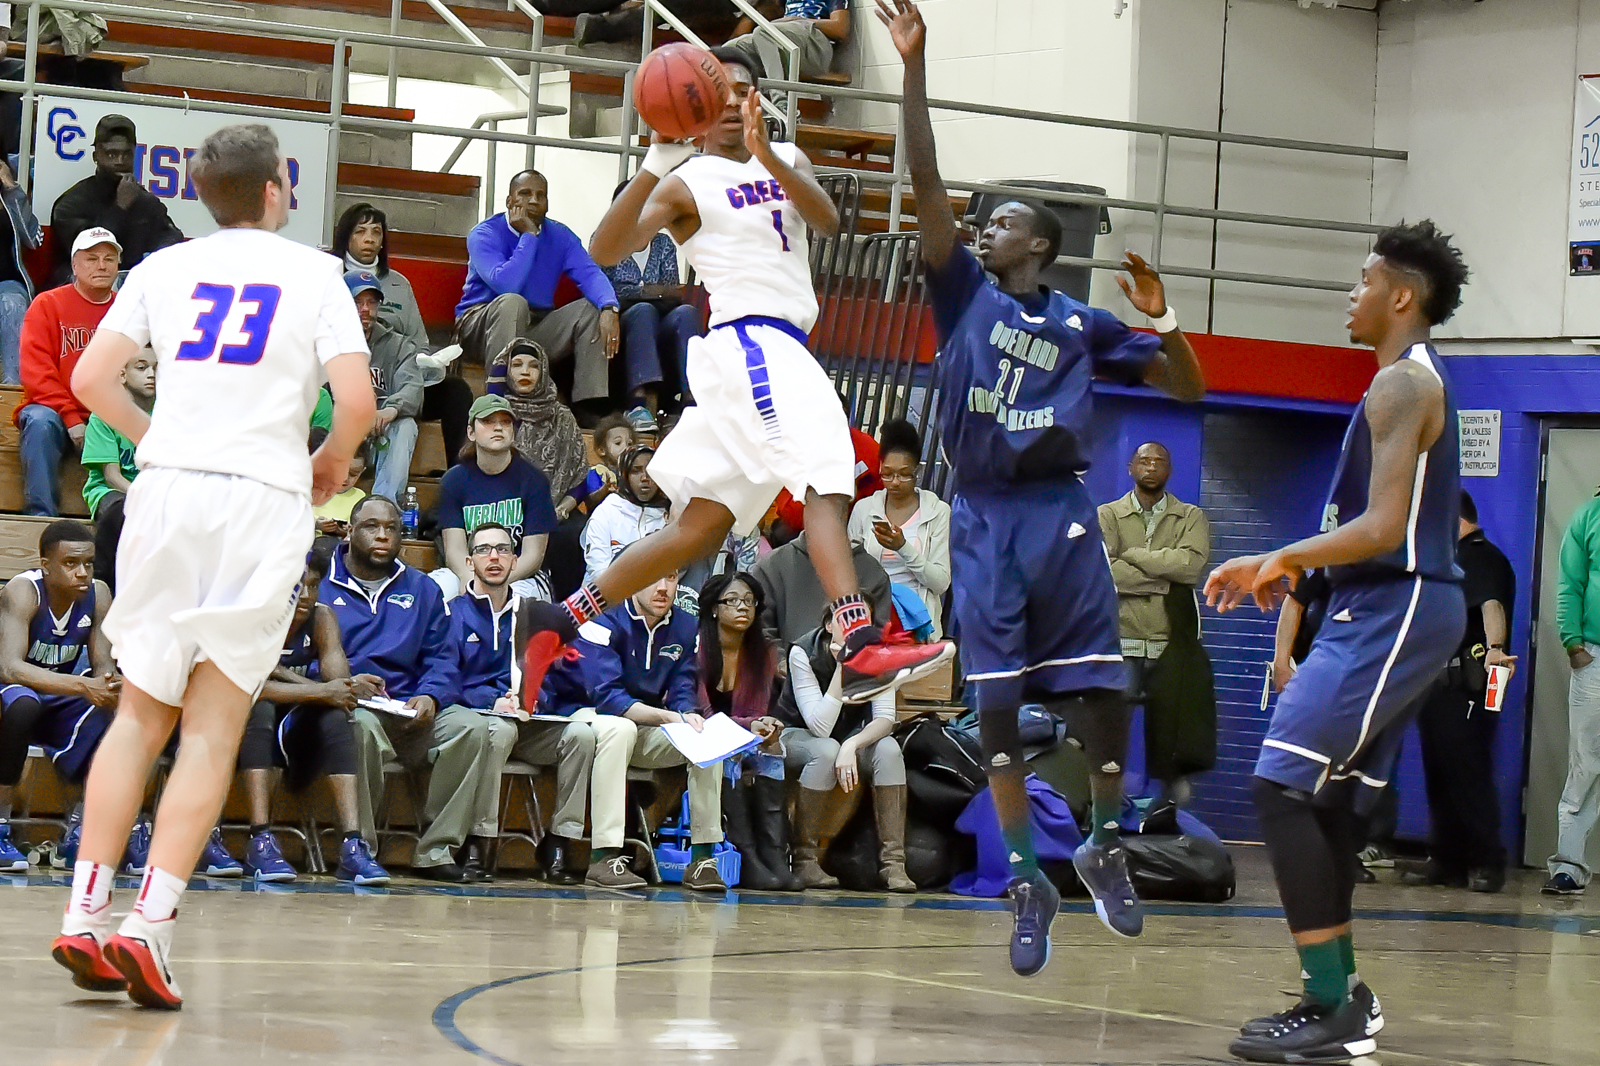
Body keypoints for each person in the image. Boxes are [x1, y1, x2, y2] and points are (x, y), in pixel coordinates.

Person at [880, 0, 1206, 977]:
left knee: (1104, 698)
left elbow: (1186, 388)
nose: (983, 225)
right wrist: (912, 67)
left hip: (1058, 511)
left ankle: (1104, 838)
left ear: (1044, 245)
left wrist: (1168, 317)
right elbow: (927, 179)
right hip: (983, 515)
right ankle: (1027, 876)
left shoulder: (1079, 325)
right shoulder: (960, 293)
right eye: (982, 219)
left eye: (1005, 219)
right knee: (994, 713)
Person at [517, 44, 952, 714]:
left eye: (742, 90)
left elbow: (829, 221)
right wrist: (652, 163)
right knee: (827, 483)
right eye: (715, 94)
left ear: (759, 100)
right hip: (751, 342)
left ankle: (561, 618)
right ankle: (857, 641)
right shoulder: (687, 181)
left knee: (700, 529)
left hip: (771, 352)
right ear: (694, 107)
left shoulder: (789, 162)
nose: (731, 103)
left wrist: (771, 156)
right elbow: (599, 253)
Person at [52, 123, 376, 1010]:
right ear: (277, 190)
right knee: (211, 726)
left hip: (165, 497)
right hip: (259, 500)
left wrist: (158, 439)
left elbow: (90, 383)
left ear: (205, 194)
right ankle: (147, 929)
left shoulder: (160, 269)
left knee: (140, 717)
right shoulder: (316, 272)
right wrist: (334, 458)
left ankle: (83, 913)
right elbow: (357, 398)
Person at [1205, 219, 1470, 1062]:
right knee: (1330, 803)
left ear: (1402, 295)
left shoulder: (1400, 386)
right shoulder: (1401, 384)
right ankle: (1341, 1001)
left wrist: (1276, 555)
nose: (1348, 296)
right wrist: (1304, 571)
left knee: (1281, 785)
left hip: (1399, 604)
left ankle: (1333, 1003)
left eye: (1362, 281)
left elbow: (1385, 525)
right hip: (1386, 604)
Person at [326, 495, 507, 885]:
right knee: (359, 727)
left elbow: (444, 658)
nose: (382, 535)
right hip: (353, 704)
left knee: (471, 727)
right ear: (350, 532)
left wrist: (431, 695)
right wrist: (347, 685)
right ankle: (361, 850)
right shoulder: (323, 585)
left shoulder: (422, 589)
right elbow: (305, 656)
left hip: (410, 706)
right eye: (372, 527)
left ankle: (437, 851)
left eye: (391, 528)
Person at [535, 570, 728, 890]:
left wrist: (686, 716)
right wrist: (669, 719)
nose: (663, 588)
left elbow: (683, 685)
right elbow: (607, 697)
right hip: (582, 711)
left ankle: (702, 859)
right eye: (653, 577)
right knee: (619, 728)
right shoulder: (601, 618)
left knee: (706, 741)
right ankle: (604, 857)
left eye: (671, 578)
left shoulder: (684, 624)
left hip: (644, 719)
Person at [448, 521, 601, 885]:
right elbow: (447, 679)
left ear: (516, 561)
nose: (494, 557)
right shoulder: (452, 612)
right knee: (498, 731)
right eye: (484, 550)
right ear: (469, 562)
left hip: (530, 719)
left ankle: (559, 842)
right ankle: (479, 841)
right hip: (480, 718)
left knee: (581, 736)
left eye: (503, 549)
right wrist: (492, 700)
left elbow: (558, 675)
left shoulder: (537, 614)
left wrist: (532, 696)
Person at [237, 543, 390, 886]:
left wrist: (285, 673)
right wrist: (318, 690)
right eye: (296, 584)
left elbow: (338, 686)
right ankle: (259, 839)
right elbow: (250, 689)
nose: (305, 594)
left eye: (314, 584)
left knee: (336, 717)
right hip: (245, 729)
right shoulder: (254, 619)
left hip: (295, 731)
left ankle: (352, 844)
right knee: (258, 708)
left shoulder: (321, 618)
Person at [1394, 490, 1515, 894]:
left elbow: (1491, 604)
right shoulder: (1451, 559)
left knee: (1467, 772)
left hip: (1468, 683)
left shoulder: (1479, 555)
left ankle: (1486, 862)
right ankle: (1447, 861)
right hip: (1440, 683)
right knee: (1441, 772)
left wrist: (1496, 648)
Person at [1099, 440, 1212, 806]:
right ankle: (1105, 814)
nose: (1151, 467)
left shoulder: (1190, 515)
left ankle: (1169, 820)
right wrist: (1164, 579)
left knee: (1171, 737)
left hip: (1170, 642)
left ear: (1169, 470)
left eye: (1158, 461)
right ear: (1131, 468)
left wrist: (1131, 555)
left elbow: (1191, 567)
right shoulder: (1108, 515)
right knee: (1110, 732)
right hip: (1122, 639)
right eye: (1144, 461)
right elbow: (1104, 571)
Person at [0, 521, 118, 871]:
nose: (82, 572)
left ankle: (80, 830)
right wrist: (84, 686)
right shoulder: (23, 592)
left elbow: (101, 666)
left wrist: (110, 685)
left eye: (89, 563)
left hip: (57, 695)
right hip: (11, 691)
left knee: (117, 709)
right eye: (70, 563)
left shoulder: (99, 595)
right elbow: (10, 669)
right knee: (23, 704)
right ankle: (1, 827)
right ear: (45, 564)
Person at [455, 170, 621, 408]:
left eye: (540, 195)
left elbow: (590, 273)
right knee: (513, 302)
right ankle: (497, 396)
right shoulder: (484, 233)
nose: (533, 200)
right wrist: (529, 235)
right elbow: (507, 285)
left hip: (535, 325)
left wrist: (609, 307)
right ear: (510, 202)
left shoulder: (560, 235)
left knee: (592, 309)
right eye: (524, 194)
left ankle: (589, 405)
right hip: (482, 324)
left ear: (547, 204)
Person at [777, 615, 915, 892]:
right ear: (828, 625)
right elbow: (820, 726)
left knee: (888, 748)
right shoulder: (803, 651)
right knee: (827, 751)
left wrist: (852, 745)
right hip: (797, 734)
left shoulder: (878, 654)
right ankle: (805, 860)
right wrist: (843, 669)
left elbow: (886, 718)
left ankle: (894, 864)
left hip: (849, 738)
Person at [698, 571, 797, 891]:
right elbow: (703, 712)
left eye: (749, 601)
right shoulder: (697, 645)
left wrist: (766, 727)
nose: (743, 608)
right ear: (714, 608)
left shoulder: (763, 650)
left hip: (740, 732)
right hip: (699, 731)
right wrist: (748, 726)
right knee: (729, 754)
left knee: (771, 751)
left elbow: (755, 711)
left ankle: (773, 854)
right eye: (733, 601)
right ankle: (746, 854)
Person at [15, 227, 120, 516]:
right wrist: (71, 418)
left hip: (111, 417)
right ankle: (40, 516)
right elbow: (36, 372)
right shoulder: (48, 304)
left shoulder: (130, 310)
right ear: (74, 264)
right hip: (59, 414)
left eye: (109, 259)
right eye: (91, 258)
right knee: (38, 420)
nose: (101, 265)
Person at [434, 394, 559, 601]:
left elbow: (533, 556)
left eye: (505, 422)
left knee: (519, 601)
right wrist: (471, 580)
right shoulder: (453, 481)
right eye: (488, 422)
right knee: (437, 591)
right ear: (471, 432)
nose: (498, 427)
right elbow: (455, 550)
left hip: (520, 575)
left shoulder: (534, 481)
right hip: (469, 570)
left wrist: (497, 582)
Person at [599, 179, 702, 420]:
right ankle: (639, 402)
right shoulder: (606, 242)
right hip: (622, 321)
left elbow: (673, 293)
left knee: (687, 312)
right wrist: (649, 291)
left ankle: (692, 397)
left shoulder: (664, 244)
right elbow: (606, 290)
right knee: (643, 310)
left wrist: (638, 290)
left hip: (661, 318)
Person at [49, 113, 183, 283]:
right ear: (96, 156)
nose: (120, 161)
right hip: (82, 286)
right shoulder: (71, 204)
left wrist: (154, 259)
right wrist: (120, 207)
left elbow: (173, 236)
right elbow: (92, 251)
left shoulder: (145, 201)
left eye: (126, 155)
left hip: (133, 286)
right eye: (112, 155)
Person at [848, 418, 951, 639]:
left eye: (904, 474)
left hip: (918, 626)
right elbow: (849, 569)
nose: (895, 482)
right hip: (872, 623)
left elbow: (940, 582)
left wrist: (903, 547)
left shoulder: (937, 512)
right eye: (887, 473)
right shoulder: (865, 509)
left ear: (918, 471)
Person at [1547, 483, 1600, 896]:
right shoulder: (1588, 517)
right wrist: (1573, 643)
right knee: (1585, 763)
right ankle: (1568, 866)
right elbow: (1570, 583)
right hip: (1594, 656)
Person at [347, 270, 426, 502]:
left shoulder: (398, 345)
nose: (365, 309)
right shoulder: (323, 343)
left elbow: (413, 387)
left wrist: (391, 409)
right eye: (357, 302)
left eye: (371, 302)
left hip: (379, 435)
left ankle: (382, 507)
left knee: (405, 425)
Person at [78, 349, 153, 591]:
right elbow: (111, 476)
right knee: (123, 511)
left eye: (157, 368)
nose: (152, 374)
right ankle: (103, 586)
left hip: (155, 489)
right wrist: (144, 497)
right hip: (112, 492)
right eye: (141, 368)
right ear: (122, 374)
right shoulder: (105, 414)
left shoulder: (170, 414)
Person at [751, 529, 893, 652]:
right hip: (787, 677)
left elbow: (879, 635)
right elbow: (761, 631)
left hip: (854, 676)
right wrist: (783, 663)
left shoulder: (871, 571)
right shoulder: (772, 566)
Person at [493, 338, 588, 509]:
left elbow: (579, 477)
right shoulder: (494, 415)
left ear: (543, 371)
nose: (525, 372)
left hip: (557, 510)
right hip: (500, 509)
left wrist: (563, 508)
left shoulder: (562, 417)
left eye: (534, 366)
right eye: (517, 365)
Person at [332, 202, 429, 349]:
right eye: (360, 232)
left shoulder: (399, 284)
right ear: (346, 238)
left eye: (376, 232)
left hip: (393, 367)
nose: (369, 239)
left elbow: (419, 344)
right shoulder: (328, 278)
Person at [582, 444, 668, 583]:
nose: (645, 478)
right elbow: (598, 570)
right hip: (606, 596)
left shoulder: (670, 515)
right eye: (636, 471)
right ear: (624, 474)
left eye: (650, 471)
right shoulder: (607, 512)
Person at [726, 0, 851, 83]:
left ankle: (781, 104)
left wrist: (798, 20)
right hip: (789, 39)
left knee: (763, 32)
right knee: (733, 48)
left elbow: (840, 29)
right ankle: (754, 108)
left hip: (816, 44)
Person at [0, 159, 43, 385]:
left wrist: (11, 189)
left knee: (13, 303)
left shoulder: (8, 200)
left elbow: (33, 239)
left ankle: (11, 387)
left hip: (6, 283)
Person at [557, 411, 633, 521]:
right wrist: (604, 490)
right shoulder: (597, 471)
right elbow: (590, 502)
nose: (626, 448)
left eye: (630, 443)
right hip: (600, 523)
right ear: (602, 450)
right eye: (618, 443)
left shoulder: (632, 473)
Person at [313, 435, 369, 538]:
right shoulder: (311, 490)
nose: (344, 479)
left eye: (353, 474)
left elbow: (364, 533)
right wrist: (315, 525)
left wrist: (348, 532)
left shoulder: (360, 498)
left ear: (362, 471)